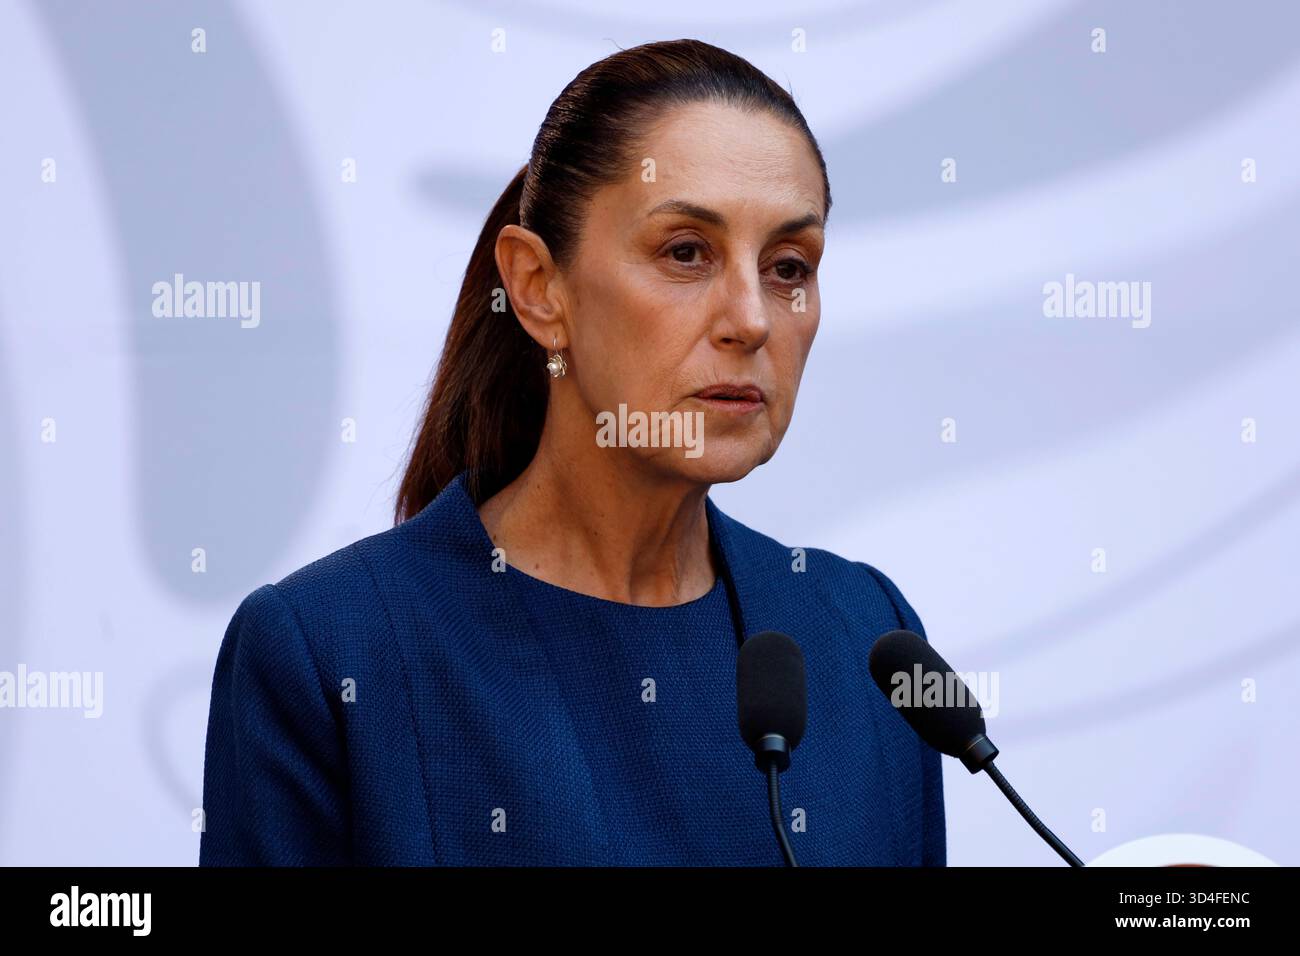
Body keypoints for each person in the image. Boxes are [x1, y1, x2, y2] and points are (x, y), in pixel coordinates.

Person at [199, 38, 945, 866]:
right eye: (686, 252)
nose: (752, 319)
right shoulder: (330, 651)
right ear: (537, 288)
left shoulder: (864, 635)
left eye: (788, 265)